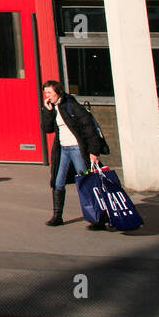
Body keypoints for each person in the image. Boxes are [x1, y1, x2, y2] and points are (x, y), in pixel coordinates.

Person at [40, 79, 105, 229]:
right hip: (63, 149)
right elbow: (48, 129)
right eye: (45, 93)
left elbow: (89, 128)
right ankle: (57, 216)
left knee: (85, 182)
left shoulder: (71, 105)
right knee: (58, 181)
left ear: (58, 92)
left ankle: (97, 218)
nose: (47, 96)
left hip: (77, 148)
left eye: (50, 92)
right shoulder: (52, 107)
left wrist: (94, 151)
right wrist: (47, 111)